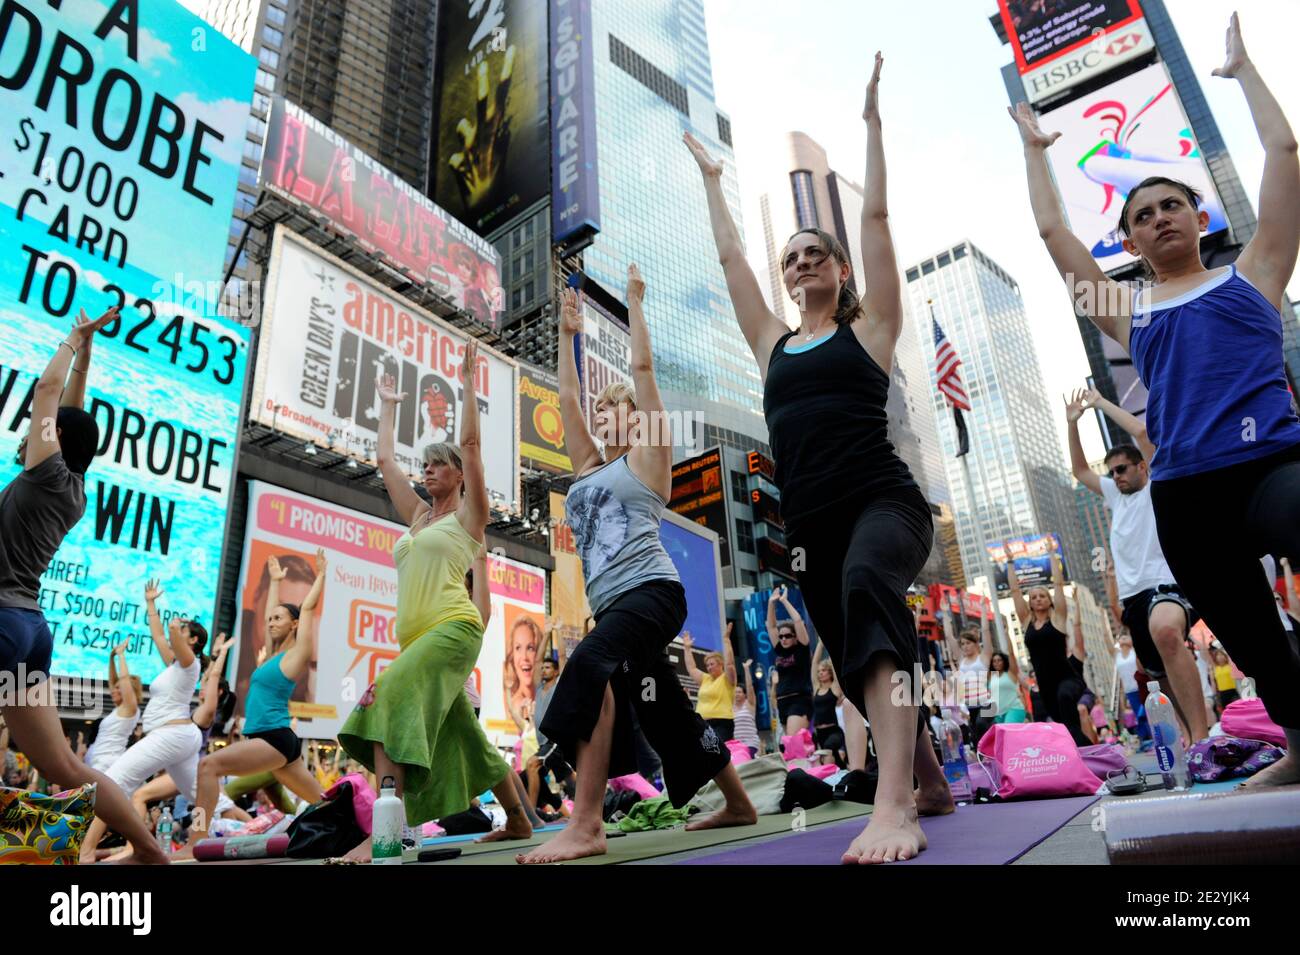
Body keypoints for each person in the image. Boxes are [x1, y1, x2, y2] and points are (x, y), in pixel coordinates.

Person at [1011, 12, 1300, 784]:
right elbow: (1051, 232)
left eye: (1171, 205)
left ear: (1200, 218)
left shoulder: (1256, 273)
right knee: (1246, 629)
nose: (1159, 218)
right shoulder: (1127, 311)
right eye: (1142, 215)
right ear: (1131, 244)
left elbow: (1284, 152)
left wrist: (1244, 77)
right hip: (1187, 493)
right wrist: (1035, 151)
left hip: (1274, 464)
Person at [687, 53, 950, 864]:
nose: (803, 264)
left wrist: (868, 129)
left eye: (817, 254)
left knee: (873, 591)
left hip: (885, 501)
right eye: (792, 257)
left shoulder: (870, 333)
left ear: (840, 271)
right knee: (864, 654)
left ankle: (895, 801)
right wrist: (710, 182)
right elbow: (734, 264)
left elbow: (876, 227)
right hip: (812, 525)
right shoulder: (771, 346)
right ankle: (933, 779)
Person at [518, 266, 756, 864]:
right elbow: (567, 396)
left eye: (616, 410)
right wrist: (568, 335)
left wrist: (634, 307)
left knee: (592, 664)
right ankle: (738, 803)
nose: (604, 417)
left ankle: (588, 822)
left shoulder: (649, 462)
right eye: (604, 413)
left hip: (651, 592)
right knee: (661, 705)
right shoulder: (589, 468)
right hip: (616, 603)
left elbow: (644, 374)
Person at [337, 338, 532, 861]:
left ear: (459, 475)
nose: (427, 471)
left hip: (454, 629)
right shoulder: (418, 517)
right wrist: (389, 406)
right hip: (423, 638)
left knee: (388, 692)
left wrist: (467, 386)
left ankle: (388, 830)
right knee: (463, 735)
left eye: (437, 465)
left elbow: (470, 443)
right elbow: (382, 458)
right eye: (424, 465)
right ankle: (517, 820)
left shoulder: (470, 518)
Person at [0, 308, 167, 862]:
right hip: (29, 631)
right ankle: (148, 849)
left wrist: (72, 337)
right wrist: (88, 350)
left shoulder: (44, 475)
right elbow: (66, 403)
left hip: (3, 622)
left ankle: (25, 842)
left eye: (40, 425)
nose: (31, 427)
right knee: (66, 768)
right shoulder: (70, 486)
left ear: (56, 438)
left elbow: (48, 388)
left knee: (62, 768)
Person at [1064, 388, 1207, 742]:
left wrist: (1098, 404)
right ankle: (1188, 739)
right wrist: (1072, 425)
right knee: (1158, 674)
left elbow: (1143, 434)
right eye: (1112, 472)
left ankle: (1204, 736)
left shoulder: (1156, 483)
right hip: (1133, 598)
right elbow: (1080, 469)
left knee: (1167, 632)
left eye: (1123, 469)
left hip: (1166, 584)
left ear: (1142, 466)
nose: (1116, 477)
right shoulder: (1115, 495)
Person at [174, 552, 332, 857]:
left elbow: (309, 607)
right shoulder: (272, 655)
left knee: (208, 766)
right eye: (270, 618)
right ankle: (358, 832)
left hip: (274, 738)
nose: (270, 623)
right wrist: (274, 581)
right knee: (324, 803)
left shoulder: (297, 653)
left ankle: (196, 841)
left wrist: (322, 575)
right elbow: (265, 618)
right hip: (277, 745)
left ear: (295, 623)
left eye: (279, 619)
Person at [79, 580, 212, 861]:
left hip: (171, 736)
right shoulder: (175, 665)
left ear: (194, 642)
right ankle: (220, 831)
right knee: (200, 793)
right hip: (179, 737)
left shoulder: (192, 665)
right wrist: (151, 604)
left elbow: (172, 637)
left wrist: (177, 627)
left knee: (114, 781)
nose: (178, 630)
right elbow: (160, 638)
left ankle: (87, 851)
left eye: (184, 630)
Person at [1008, 551, 1090, 746]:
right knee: (1065, 729)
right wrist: (1010, 562)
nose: (1038, 599)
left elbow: (1059, 584)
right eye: (1034, 597)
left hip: (1068, 679)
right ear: (1030, 603)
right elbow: (1014, 591)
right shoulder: (1026, 621)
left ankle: (1093, 757)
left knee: (1066, 705)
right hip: (1046, 687)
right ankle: (1087, 754)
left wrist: (1052, 554)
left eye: (1042, 595)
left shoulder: (1058, 618)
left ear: (1050, 599)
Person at [85, 642, 142, 774]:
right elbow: (113, 680)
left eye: (118, 688)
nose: (113, 691)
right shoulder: (120, 708)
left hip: (108, 765)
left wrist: (121, 655)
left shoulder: (130, 708)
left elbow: (124, 680)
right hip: (99, 763)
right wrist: (112, 658)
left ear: (128, 690)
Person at [764, 586, 814, 737]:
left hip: (799, 700)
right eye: (781, 636)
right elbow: (771, 626)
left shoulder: (802, 649)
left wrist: (784, 601)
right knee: (789, 749)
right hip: (782, 701)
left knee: (793, 742)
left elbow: (798, 620)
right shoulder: (779, 650)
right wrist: (771, 604)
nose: (783, 639)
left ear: (795, 637)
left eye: (788, 636)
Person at [681, 629, 737, 744]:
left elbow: (730, 664)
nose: (709, 667)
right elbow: (691, 668)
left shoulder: (727, 679)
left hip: (722, 722)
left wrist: (726, 641)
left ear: (721, 664)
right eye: (707, 665)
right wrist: (687, 648)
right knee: (704, 754)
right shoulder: (705, 679)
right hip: (703, 723)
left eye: (712, 664)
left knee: (716, 750)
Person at [810, 643, 848, 768]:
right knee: (834, 760)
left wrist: (829, 643)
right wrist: (820, 644)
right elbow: (814, 664)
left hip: (834, 732)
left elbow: (835, 666)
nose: (820, 673)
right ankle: (845, 770)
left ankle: (830, 782)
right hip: (819, 733)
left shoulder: (835, 688)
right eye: (819, 671)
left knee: (827, 752)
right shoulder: (817, 688)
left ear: (830, 672)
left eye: (824, 670)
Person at [1112, 632, 1150, 743]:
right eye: (1121, 637)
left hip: (1142, 686)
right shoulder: (1117, 654)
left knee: (1148, 712)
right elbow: (1106, 638)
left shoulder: (1135, 650)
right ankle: (1146, 740)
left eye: (1125, 637)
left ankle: (1156, 737)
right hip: (1129, 691)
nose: (1123, 638)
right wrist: (1103, 616)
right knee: (1139, 716)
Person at [987, 651, 1028, 724]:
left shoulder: (1010, 673)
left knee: (1008, 731)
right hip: (998, 713)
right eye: (994, 661)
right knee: (1006, 734)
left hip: (1014, 708)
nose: (996, 663)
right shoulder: (991, 676)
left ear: (1004, 661)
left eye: (999, 660)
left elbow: (1011, 653)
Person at [732, 659, 761, 759]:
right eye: (735, 692)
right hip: (736, 745)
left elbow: (750, 687)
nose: (737, 694)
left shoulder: (749, 704)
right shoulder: (730, 708)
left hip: (750, 743)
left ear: (745, 694)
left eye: (739, 692)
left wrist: (746, 669)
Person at [1211, 646, 1240, 713]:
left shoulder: (1230, 666)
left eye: (1222, 655)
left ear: (1225, 656)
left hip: (1233, 691)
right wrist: (1215, 694)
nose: (1220, 657)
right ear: (1215, 658)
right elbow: (1214, 683)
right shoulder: (1214, 669)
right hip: (1222, 694)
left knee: (1237, 710)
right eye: (1218, 655)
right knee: (1227, 712)